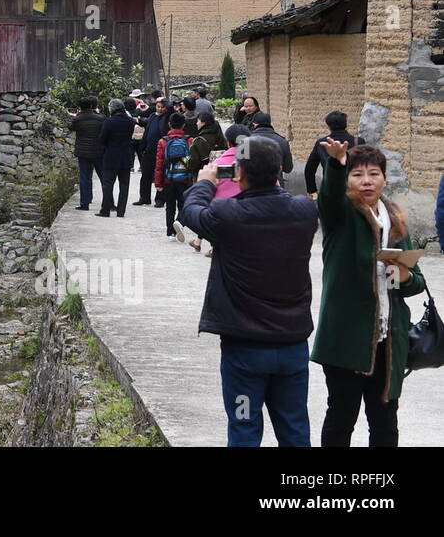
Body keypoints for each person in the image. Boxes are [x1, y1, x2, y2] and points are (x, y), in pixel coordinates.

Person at [180, 136, 319, 447]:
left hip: (245, 352)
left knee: (244, 425)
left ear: (238, 174)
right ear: (281, 171)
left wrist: (205, 182)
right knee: (295, 428)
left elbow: (191, 211)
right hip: (292, 347)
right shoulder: (304, 212)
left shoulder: (227, 215)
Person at [311, 141, 426, 448]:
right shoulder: (341, 215)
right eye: (357, 174)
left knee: (386, 424)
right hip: (346, 338)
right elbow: (330, 197)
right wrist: (335, 165)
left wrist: (405, 276)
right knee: (340, 420)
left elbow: (417, 282)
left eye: (374, 173)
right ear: (348, 180)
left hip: (389, 339)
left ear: (384, 178)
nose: (366, 181)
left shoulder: (395, 219)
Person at [176, 122, 250, 254]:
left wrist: (203, 182)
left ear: (228, 142)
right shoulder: (258, 166)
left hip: (223, 224)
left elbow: (192, 210)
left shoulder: (215, 166)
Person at [303, 111, 364, 199]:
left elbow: (309, 170)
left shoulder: (322, 143)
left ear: (328, 126)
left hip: (330, 190)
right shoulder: (359, 142)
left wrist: (313, 193)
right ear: (346, 124)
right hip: (354, 190)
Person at [154, 111, 194, 239]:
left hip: (168, 179)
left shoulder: (163, 141)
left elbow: (159, 164)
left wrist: (158, 183)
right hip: (185, 179)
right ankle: (180, 222)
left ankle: (170, 232)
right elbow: (192, 161)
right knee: (183, 204)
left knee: (169, 206)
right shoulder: (189, 140)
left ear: (169, 124)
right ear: (183, 125)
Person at [97, 98, 136, 217]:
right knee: (124, 185)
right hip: (126, 156)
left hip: (111, 156)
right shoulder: (130, 121)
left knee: (108, 184)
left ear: (112, 109)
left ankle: (105, 210)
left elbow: (102, 139)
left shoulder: (109, 122)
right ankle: (121, 211)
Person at [70, 96, 105, 211]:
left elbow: (71, 128)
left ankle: (85, 203)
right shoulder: (101, 118)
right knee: (104, 178)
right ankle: (108, 202)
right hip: (98, 151)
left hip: (83, 152)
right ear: (92, 106)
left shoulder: (78, 119)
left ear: (80, 107)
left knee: (84, 177)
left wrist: (78, 115)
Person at [135, 98, 170, 206]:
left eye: (162, 107)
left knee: (160, 175)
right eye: (158, 106)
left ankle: (160, 199)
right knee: (145, 174)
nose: (159, 109)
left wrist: (164, 101)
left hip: (161, 151)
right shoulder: (152, 116)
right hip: (149, 150)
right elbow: (147, 129)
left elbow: (171, 108)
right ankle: (144, 197)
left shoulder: (167, 118)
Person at [245, 113, 293, 182]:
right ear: (269, 123)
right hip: (275, 185)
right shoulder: (282, 141)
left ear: (254, 123)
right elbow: (288, 169)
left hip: (252, 185)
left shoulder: (246, 141)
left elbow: (241, 167)